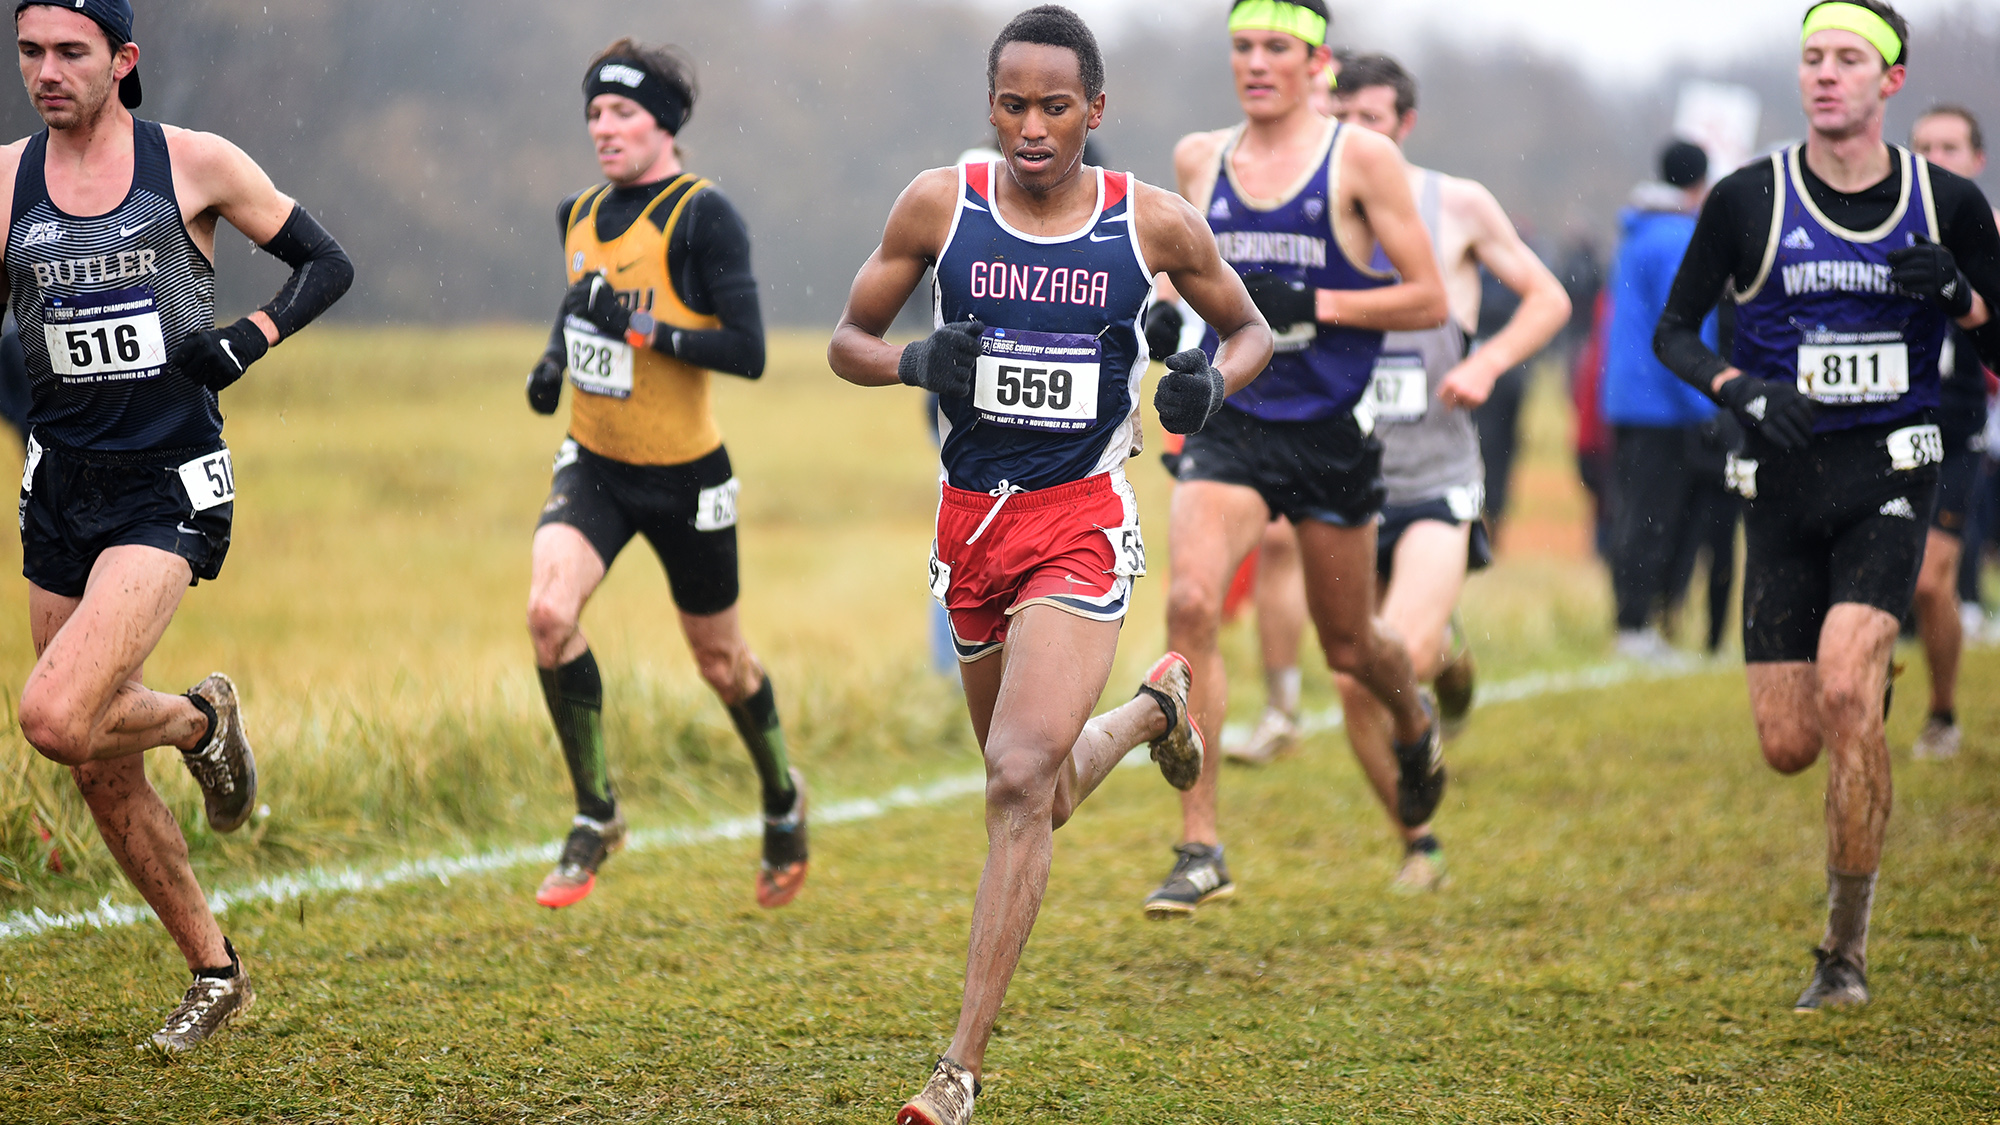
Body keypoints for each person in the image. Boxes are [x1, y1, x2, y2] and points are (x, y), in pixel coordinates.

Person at [827, 8, 1273, 1120]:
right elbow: (845, 341)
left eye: (1055, 107)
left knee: (1019, 778)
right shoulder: (940, 205)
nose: (1033, 128)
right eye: (1013, 105)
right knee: (1035, 781)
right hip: (969, 524)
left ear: (1095, 111)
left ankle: (959, 1066)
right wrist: (913, 364)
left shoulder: (1150, 226)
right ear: (991, 105)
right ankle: (1148, 714)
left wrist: (1207, 388)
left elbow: (1250, 331)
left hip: (1080, 519)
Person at [5, 0, 352, 1050]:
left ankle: (200, 723)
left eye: (72, 52)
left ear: (124, 58)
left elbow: (326, 264)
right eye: (30, 52)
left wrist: (250, 333)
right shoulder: (7, 178)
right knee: (97, 762)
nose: (48, 71)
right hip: (58, 487)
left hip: (167, 485)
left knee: (59, 717)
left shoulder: (192, 163)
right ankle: (214, 969)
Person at [1655, 0, 2000, 1012]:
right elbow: (1674, 334)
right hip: (1776, 479)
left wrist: (1961, 301)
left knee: (1847, 694)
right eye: (1810, 57)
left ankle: (1841, 953)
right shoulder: (1745, 200)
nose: (1823, 74)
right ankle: (1859, 685)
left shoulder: (1947, 207)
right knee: (1786, 743)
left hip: (1892, 471)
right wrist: (1741, 392)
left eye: (1847, 59)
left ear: (1887, 82)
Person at [1136, 1, 1449, 916]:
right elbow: (1178, 266)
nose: (1257, 63)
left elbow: (1427, 296)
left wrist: (1314, 306)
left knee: (1351, 646)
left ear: (1316, 63)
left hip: (1328, 435)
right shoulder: (1201, 157)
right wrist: (1160, 304)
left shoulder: (1361, 159)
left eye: (1277, 47)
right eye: (1243, 46)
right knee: (1191, 603)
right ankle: (1200, 845)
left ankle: (1414, 718)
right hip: (1234, 420)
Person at [523, 40, 807, 911]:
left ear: (665, 124)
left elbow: (750, 351)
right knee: (547, 614)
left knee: (721, 662)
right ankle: (596, 811)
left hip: (688, 479)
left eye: (622, 113)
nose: (603, 129)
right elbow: (586, 306)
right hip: (597, 464)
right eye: (594, 115)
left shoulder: (703, 216)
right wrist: (551, 360)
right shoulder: (577, 213)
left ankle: (782, 795)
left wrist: (645, 335)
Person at [1325, 52, 1571, 889]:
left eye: (1374, 120)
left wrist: (1489, 363)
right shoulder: (1304, 207)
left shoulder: (1454, 203)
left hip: (1434, 480)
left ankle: (1446, 652)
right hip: (1341, 482)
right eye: (1343, 118)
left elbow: (1549, 297)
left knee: (1400, 649)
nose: (1357, 134)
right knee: (1353, 680)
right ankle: (1418, 839)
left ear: (1404, 124)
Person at [1603, 140, 1736, 661]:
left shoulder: (1637, 231)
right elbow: (1682, 330)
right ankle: (1636, 629)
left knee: (1636, 514)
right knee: (1654, 519)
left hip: (1631, 399)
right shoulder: (1679, 238)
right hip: (1664, 403)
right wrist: (1706, 404)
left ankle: (1634, 624)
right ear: (1702, 184)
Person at [1904, 104, 1992, 759]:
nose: (1937, 157)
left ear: (1976, 159)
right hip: (1879, 421)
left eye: (1950, 146)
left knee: (1933, 580)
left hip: (1956, 424)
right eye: (1923, 145)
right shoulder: (1882, 227)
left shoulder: (1988, 238)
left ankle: (1942, 710)